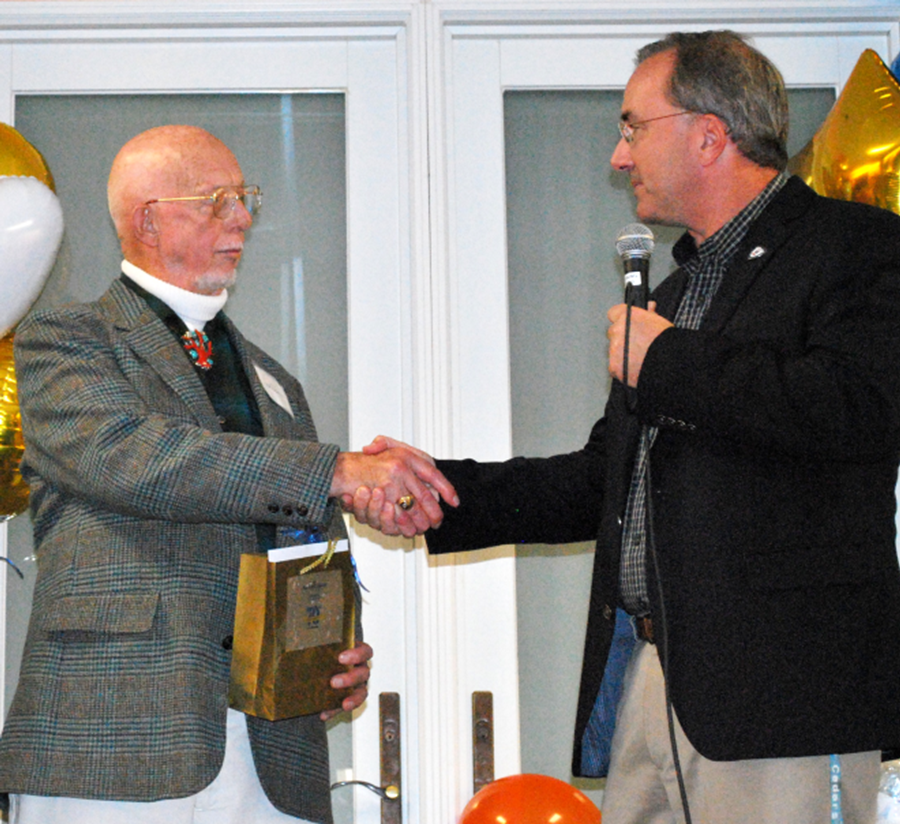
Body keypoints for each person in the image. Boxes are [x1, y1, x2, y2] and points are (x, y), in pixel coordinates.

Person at [349, 31, 900, 824]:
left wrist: (669, 360)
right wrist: (438, 488)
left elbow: (862, 408)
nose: (618, 154)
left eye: (633, 126)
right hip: (652, 676)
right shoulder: (674, 299)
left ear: (710, 133)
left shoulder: (855, 246)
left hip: (786, 695)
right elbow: (599, 481)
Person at [1, 124, 457, 824]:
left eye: (245, 199)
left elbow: (304, 531)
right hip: (112, 738)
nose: (242, 218)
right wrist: (338, 468)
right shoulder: (66, 339)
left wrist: (333, 646)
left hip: (272, 751)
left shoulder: (275, 380)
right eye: (217, 200)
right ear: (149, 219)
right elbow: (138, 459)